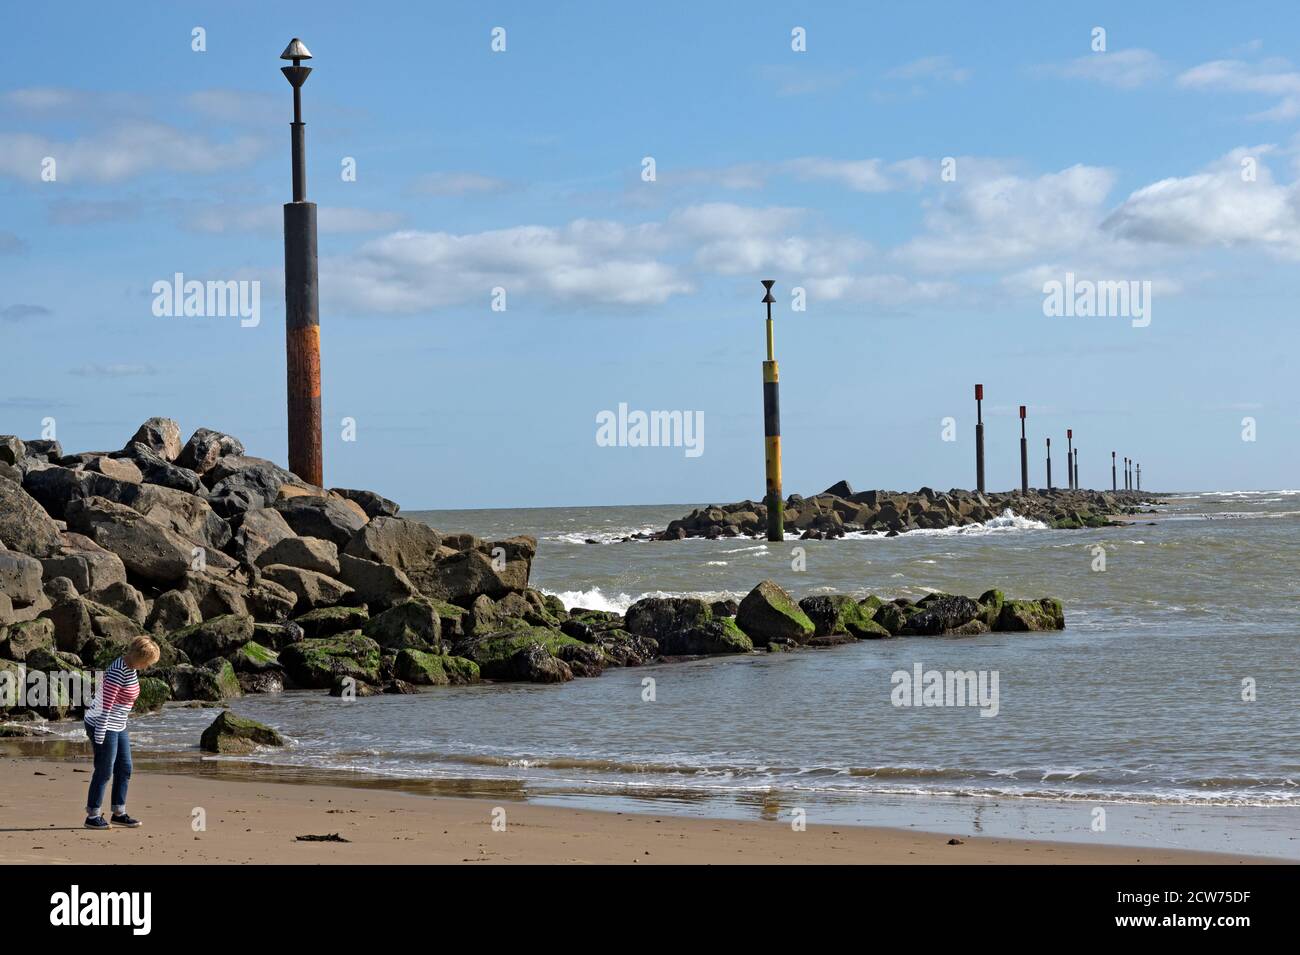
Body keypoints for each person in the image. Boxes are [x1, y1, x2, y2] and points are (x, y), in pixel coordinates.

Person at [83, 635, 161, 830]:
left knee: (125, 767)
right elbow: (105, 705)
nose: (147, 666)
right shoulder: (118, 671)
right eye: (147, 662)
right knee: (104, 769)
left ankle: (119, 812)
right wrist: (100, 732)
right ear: (139, 657)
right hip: (103, 722)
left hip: (118, 724)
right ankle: (92, 816)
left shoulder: (130, 668)